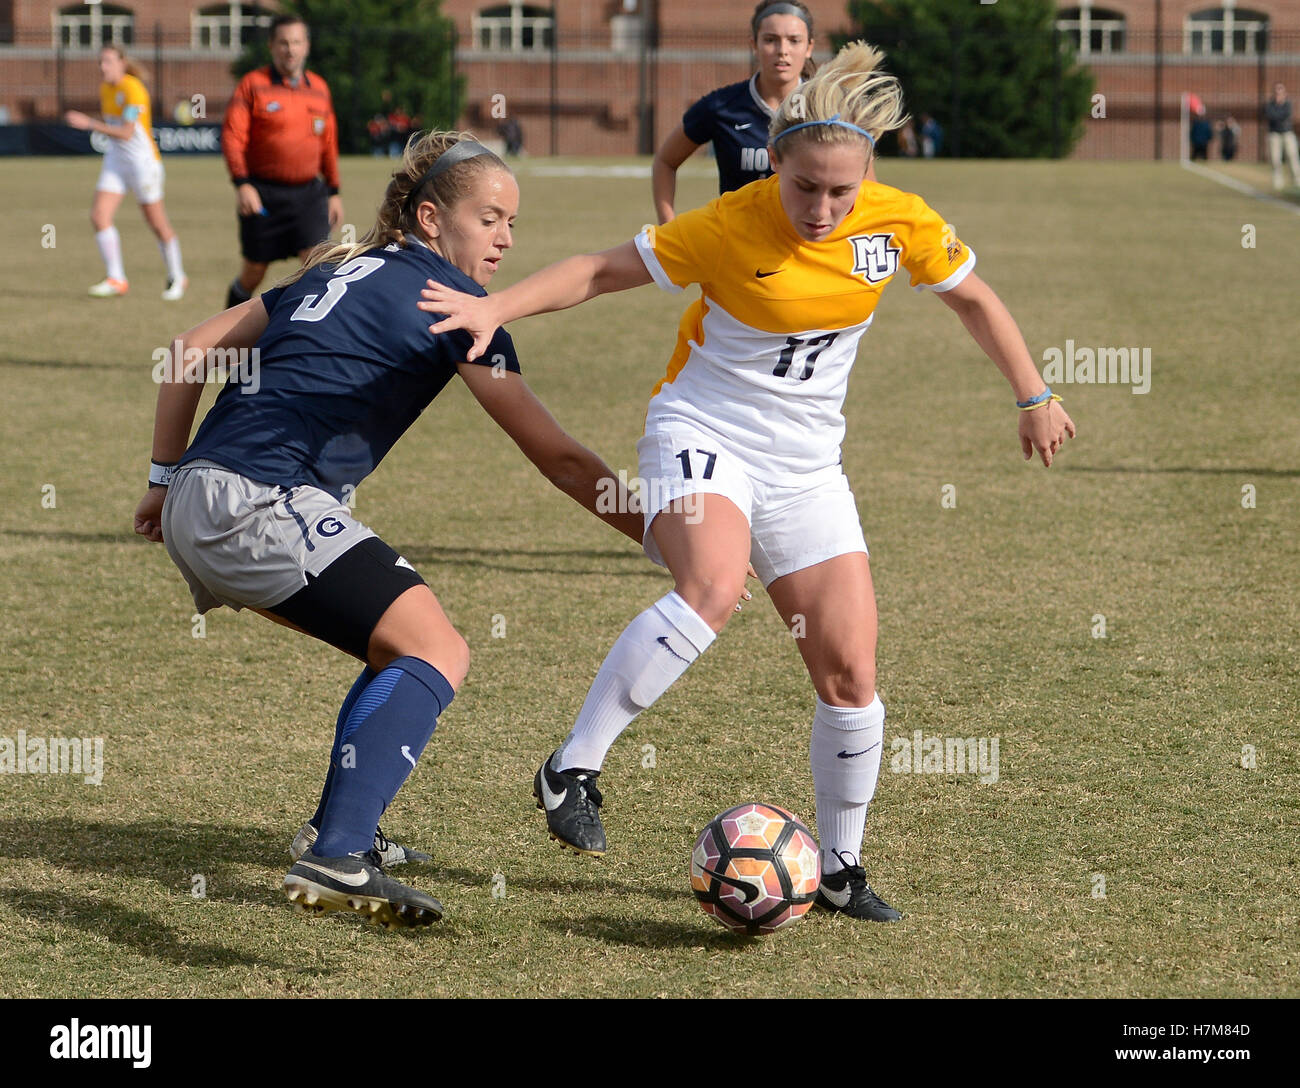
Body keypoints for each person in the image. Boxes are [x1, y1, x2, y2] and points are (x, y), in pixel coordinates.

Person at [419, 42, 1076, 924]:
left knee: (851, 672)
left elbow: (975, 300)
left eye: (841, 190)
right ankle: (571, 765)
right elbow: (602, 270)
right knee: (713, 588)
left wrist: (1034, 394)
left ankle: (840, 868)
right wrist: (492, 307)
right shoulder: (732, 221)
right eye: (805, 186)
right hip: (704, 432)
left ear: (867, 175)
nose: (822, 206)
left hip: (808, 465)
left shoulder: (900, 221)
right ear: (779, 164)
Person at [133, 131, 644, 928]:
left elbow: (187, 349)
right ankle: (336, 853)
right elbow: (563, 461)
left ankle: (343, 837)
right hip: (261, 502)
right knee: (438, 650)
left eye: (513, 221)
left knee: (392, 647)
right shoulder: (455, 307)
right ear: (432, 218)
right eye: (490, 217)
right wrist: (663, 534)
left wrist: (165, 482)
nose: (507, 238)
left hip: (204, 498)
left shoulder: (336, 267)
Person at [653, 2, 858, 223]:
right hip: (739, 244)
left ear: (809, 47)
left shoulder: (830, 107)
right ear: (754, 44)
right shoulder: (721, 106)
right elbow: (665, 161)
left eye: (794, 40)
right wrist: (668, 224)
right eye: (770, 40)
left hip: (805, 245)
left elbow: (864, 182)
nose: (782, 50)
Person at [221, 14, 343, 310]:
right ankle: (223, 345)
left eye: (296, 42)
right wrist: (242, 184)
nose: (290, 49)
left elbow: (328, 143)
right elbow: (232, 137)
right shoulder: (253, 84)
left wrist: (334, 191)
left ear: (307, 47)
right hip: (263, 193)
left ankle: (307, 345)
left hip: (308, 195)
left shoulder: (320, 88)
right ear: (272, 46)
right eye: (283, 43)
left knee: (317, 268)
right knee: (253, 272)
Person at [64, 45, 186, 300]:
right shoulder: (105, 88)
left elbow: (127, 132)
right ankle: (116, 278)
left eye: (108, 61)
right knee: (99, 216)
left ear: (122, 63)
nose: (102, 67)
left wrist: (89, 124)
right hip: (116, 160)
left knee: (156, 223)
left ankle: (177, 276)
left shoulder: (134, 89)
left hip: (142, 163)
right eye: (100, 62)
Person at [1264, 82, 1300, 190]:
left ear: (1285, 93)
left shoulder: (1288, 104)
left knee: (1292, 156)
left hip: (1287, 133)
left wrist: (1277, 116)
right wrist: (1278, 116)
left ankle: (1297, 180)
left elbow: (1286, 115)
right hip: (1274, 134)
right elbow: (1270, 116)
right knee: (1275, 159)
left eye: (1280, 92)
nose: (1278, 94)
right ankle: (1277, 181)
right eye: (1276, 92)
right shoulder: (1269, 105)